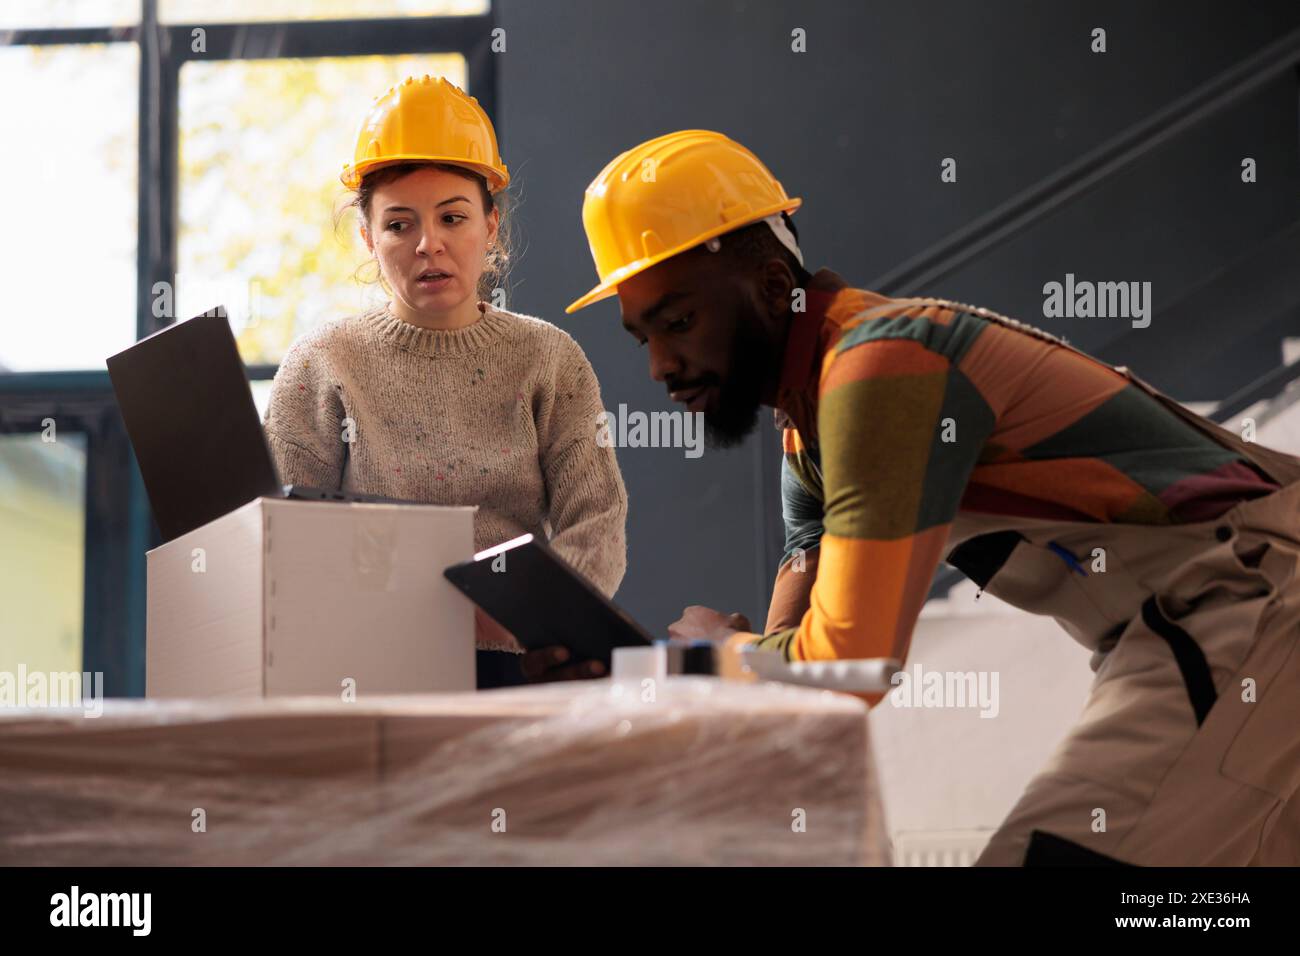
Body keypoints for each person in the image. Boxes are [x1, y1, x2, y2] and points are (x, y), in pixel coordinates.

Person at [565, 128, 1300, 865]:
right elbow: (802, 683)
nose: (661, 366)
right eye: (643, 339)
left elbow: (848, 666)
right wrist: (647, 669)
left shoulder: (880, 367)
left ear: (766, 286)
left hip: (1249, 604)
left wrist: (718, 656)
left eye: (679, 322)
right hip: (1205, 624)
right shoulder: (809, 426)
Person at [264, 75, 627, 687]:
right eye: (399, 225)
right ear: (368, 238)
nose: (429, 244)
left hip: (521, 669)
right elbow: (280, 534)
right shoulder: (323, 362)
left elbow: (597, 521)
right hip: (368, 672)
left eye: (452, 217)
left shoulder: (549, 357)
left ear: (491, 227)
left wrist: (522, 618)